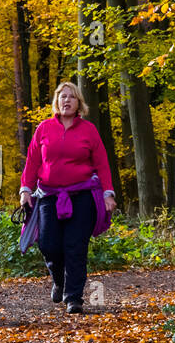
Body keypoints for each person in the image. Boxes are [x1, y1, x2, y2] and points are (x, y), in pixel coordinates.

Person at [19, 81, 116, 314]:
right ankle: (59, 282)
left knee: (75, 246)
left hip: (82, 196)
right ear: (56, 101)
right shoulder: (43, 128)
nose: (67, 100)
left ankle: (74, 298)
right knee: (49, 244)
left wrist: (108, 193)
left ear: (79, 103)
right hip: (49, 195)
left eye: (72, 97)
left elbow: (102, 164)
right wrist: (25, 189)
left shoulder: (89, 130)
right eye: (63, 97)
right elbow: (32, 162)